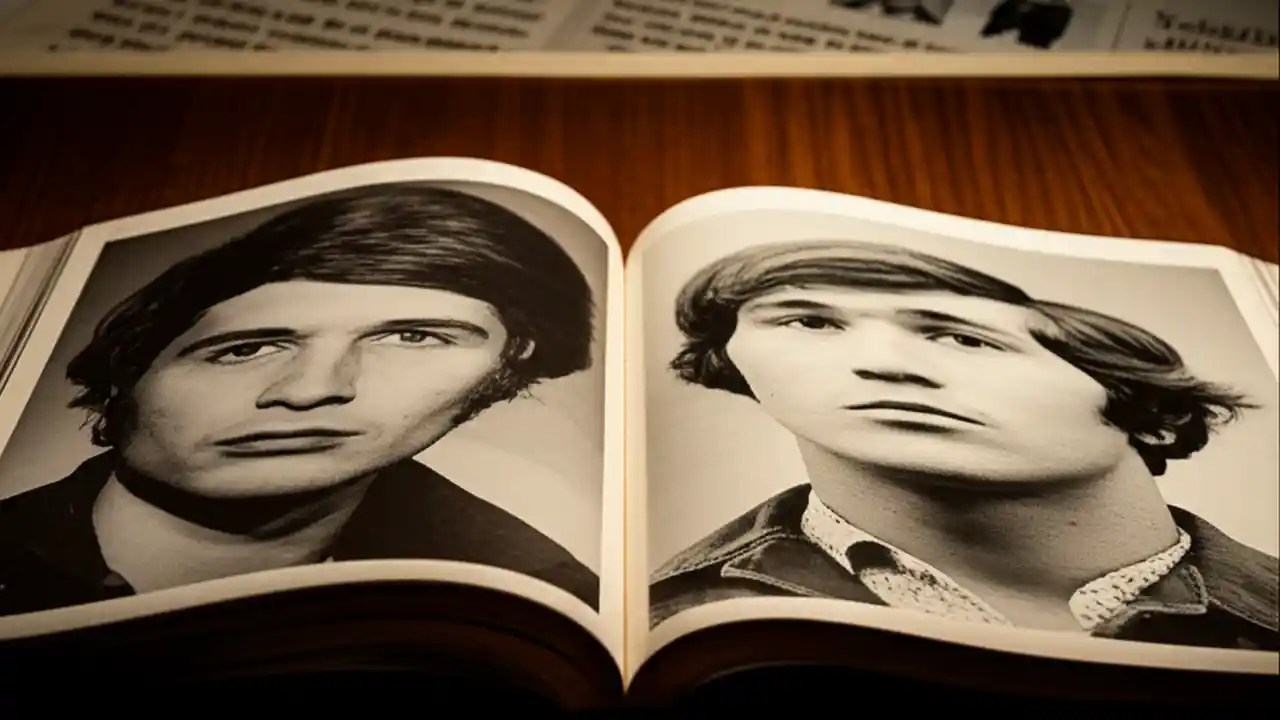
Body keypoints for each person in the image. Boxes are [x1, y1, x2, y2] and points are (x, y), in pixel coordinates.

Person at [0, 185, 600, 615]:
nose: (313, 390)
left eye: (411, 337)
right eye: (245, 349)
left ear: (505, 370)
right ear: (125, 376)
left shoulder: (538, 593)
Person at [649, 240, 1278, 650]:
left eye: (963, 339)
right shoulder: (673, 616)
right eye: (812, 322)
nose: (884, 366)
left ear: (1155, 416)